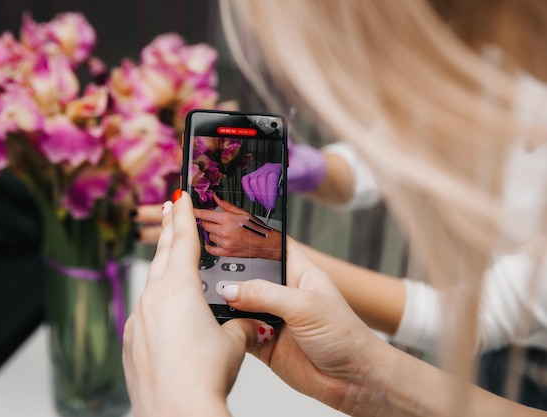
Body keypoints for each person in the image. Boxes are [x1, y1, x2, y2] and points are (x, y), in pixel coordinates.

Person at [123, 1, 547, 415]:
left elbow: (485, 313)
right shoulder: (487, 55)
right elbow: (411, 136)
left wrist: (175, 398)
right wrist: (323, 169)